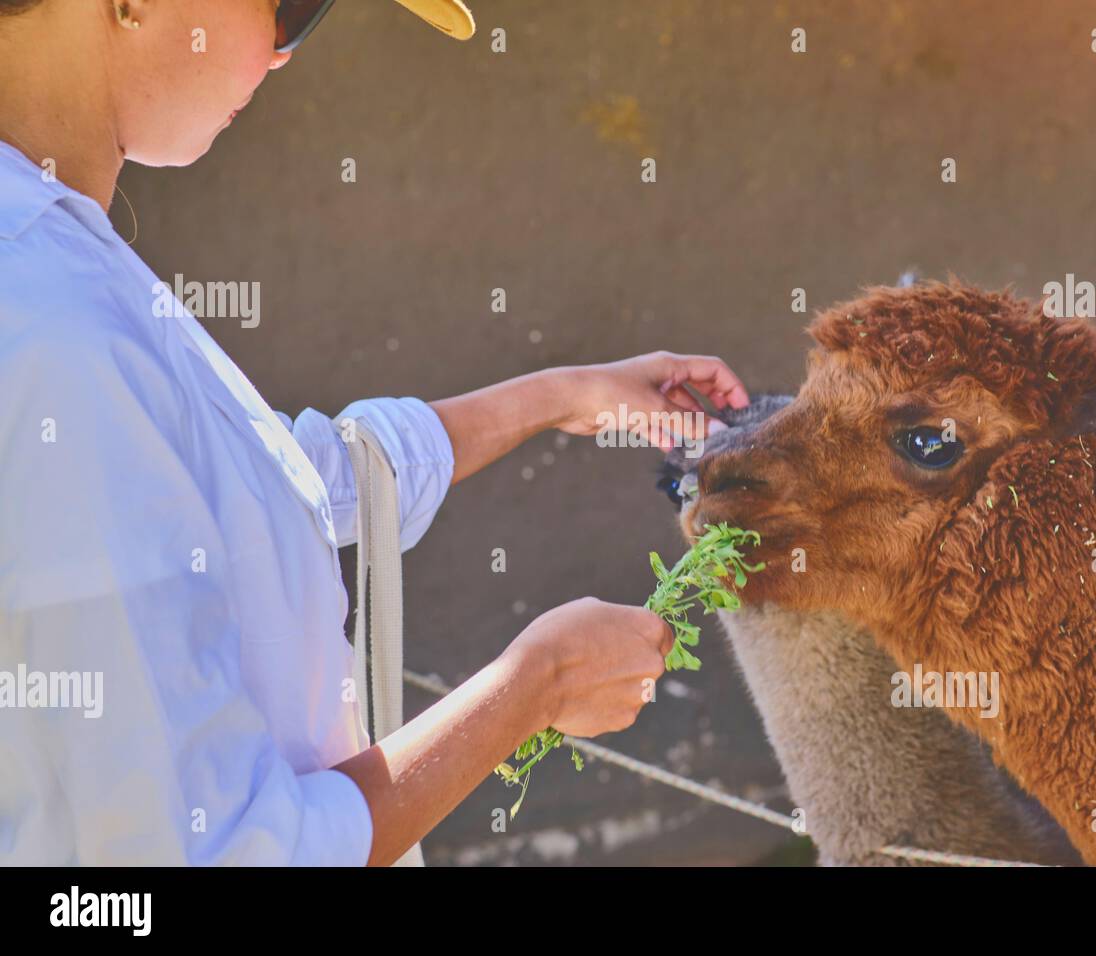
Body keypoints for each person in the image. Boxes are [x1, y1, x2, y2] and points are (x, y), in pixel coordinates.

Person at [0, 0, 750, 865]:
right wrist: (532, 686)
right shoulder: (50, 327)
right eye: (292, 6)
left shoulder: (65, 266)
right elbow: (217, 856)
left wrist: (564, 395)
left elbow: (273, 486)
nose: (284, 54)